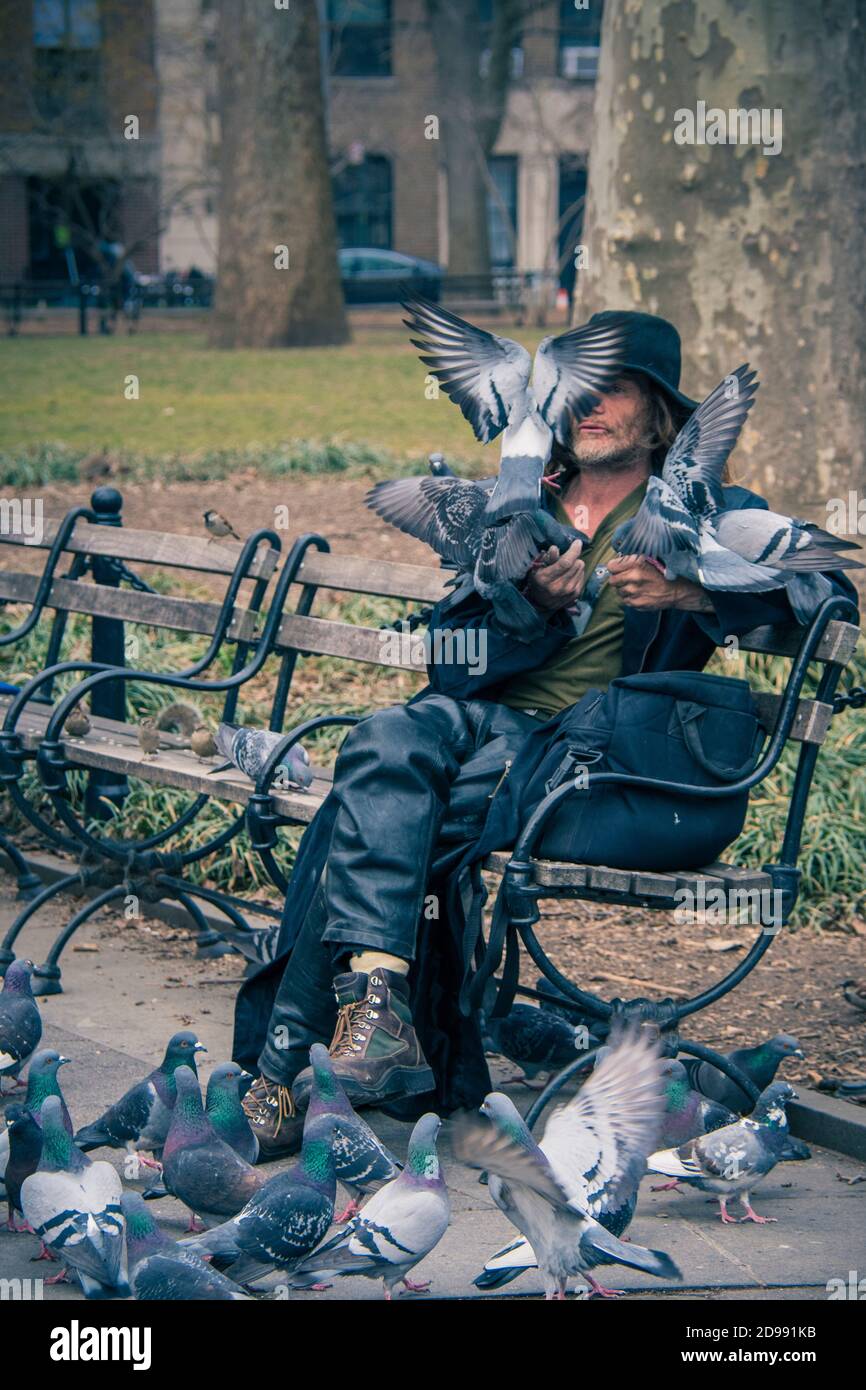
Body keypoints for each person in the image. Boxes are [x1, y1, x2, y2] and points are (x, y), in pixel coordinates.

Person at [233, 311, 856, 1157]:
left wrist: (696, 596)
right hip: (491, 729)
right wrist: (536, 606)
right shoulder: (522, 505)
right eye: (581, 390)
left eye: (617, 390)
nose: (590, 405)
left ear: (658, 414)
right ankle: (377, 1003)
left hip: (590, 757)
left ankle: (281, 1074)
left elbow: (828, 600)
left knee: (367, 816)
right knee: (388, 735)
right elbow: (448, 664)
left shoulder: (700, 509)